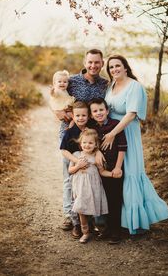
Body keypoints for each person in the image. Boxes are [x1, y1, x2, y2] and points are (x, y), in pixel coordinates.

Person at [102, 55, 168, 235]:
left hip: (126, 134)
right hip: (111, 135)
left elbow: (131, 114)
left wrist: (112, 134)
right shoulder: (111, 86)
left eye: (118, 66)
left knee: (130, 173)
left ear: (126, 67)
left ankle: (134, 221)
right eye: (111, 67)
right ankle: (117, 220)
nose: (114, 69)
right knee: (115, 175)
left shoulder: (135, 87)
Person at [56, 49, 108, 230]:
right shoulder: (72, 82)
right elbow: (56, 100)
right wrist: (63, 115)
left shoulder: (104, 84)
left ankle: (92, 215)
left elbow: (105, 109)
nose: (93, 65)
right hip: (70, 134)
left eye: (97, 62)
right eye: (90, 62)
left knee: (91, 177)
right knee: (70, 177)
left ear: (102, 63)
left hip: (92, 138)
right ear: (85, 62)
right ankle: (70, 217)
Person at [89, 98, 127, 244]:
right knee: (102, 199)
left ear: (107, 111)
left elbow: (122, 147)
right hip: (100, 170)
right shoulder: (92, 128)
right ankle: (106, 229)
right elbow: (90, 144)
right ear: (91, 115)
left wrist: (118, 167)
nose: (99, 113)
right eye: (95, 111)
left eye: (101, 110)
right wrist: (97, 151)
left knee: (114, 199)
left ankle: (116, 231)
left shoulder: (115, 125)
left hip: (114, 168)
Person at [68, 128, 111, 243]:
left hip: (94, 188)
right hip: (80, 188)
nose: (87, 145)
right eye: (84, 142)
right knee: (81, 210)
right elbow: (70, 170)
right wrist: (78, 165)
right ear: (80, 143)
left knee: (94, 208)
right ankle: (85, 232)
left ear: (96, 144)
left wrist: (113, 174)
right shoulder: (76, 155)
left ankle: (101, 228)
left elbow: (102, 172)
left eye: (90, 143)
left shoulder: (97, 157)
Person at [60, 101, 91, 238]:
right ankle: (76, 223)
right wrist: (76, 161)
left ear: (88, 116)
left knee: (86, 191)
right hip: (74, 164)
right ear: (73, 116)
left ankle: (90, 222)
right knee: (74, 192)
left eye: (84, 115)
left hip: (88, 167)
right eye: (77, 115)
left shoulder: (91, 130)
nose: (81, 118)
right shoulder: (70, 132)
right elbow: (63, 150)